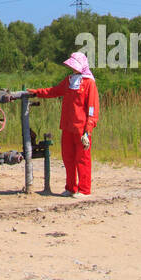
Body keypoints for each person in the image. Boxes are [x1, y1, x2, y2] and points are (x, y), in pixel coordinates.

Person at [30, 50, 99, 197]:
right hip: (67, 127)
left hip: (81, 129)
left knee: (83, 159)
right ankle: (70, 187)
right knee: (68, 158)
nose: (73, 69)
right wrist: (37, 92)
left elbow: (92, 109)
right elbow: (54, 91)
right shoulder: (68, 81)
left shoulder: (89, 84)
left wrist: (88, 130)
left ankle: (84, 189)